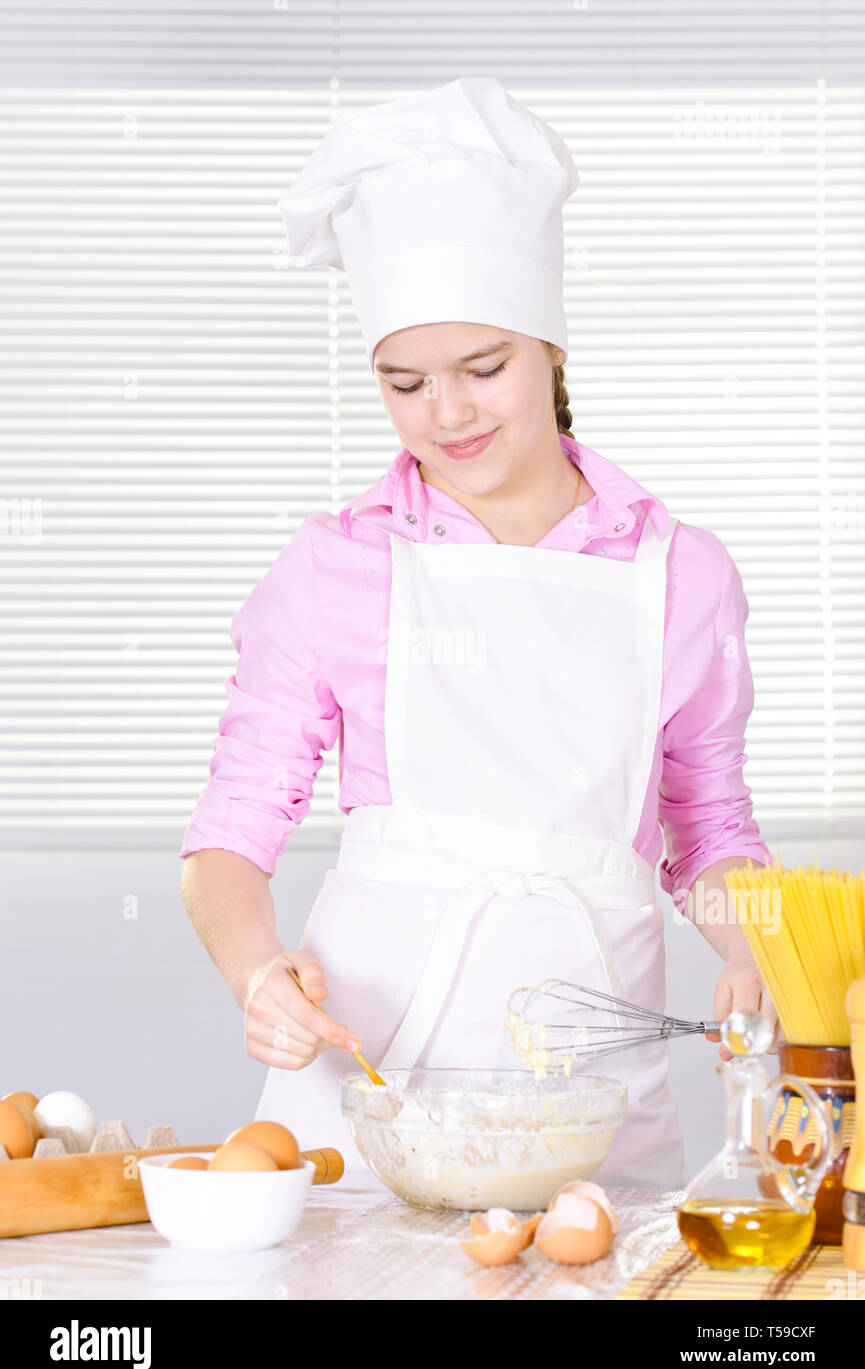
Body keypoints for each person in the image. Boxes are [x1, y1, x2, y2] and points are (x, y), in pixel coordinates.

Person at [180, 77, 776, 1189]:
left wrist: (751, 943)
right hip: (368, 1075)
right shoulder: (338, 566)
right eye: (404, 383)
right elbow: (229, 832)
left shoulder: (678, 574)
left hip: (590, 1093)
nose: (445, 414)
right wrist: (256, 968)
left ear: (552, 348)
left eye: (482, 369)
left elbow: (707, 822)